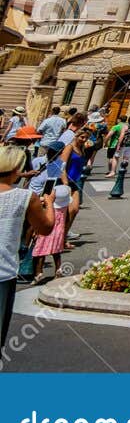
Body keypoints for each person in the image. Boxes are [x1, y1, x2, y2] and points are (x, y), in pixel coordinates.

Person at [1, 144, 56, 355]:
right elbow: (45, 228)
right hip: (3, 273)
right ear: (16, 169)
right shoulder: (25, 197)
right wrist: (49, 203)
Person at [30, 181, 71, 282]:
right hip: (58, 232)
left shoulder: (48, 207)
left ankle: (38, 273)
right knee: (56, 252)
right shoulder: (64, 207)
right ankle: (58, 270)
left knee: (40, 252)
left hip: (46, 232)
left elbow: (41, 219)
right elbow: (67, 219)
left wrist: (35, 231)